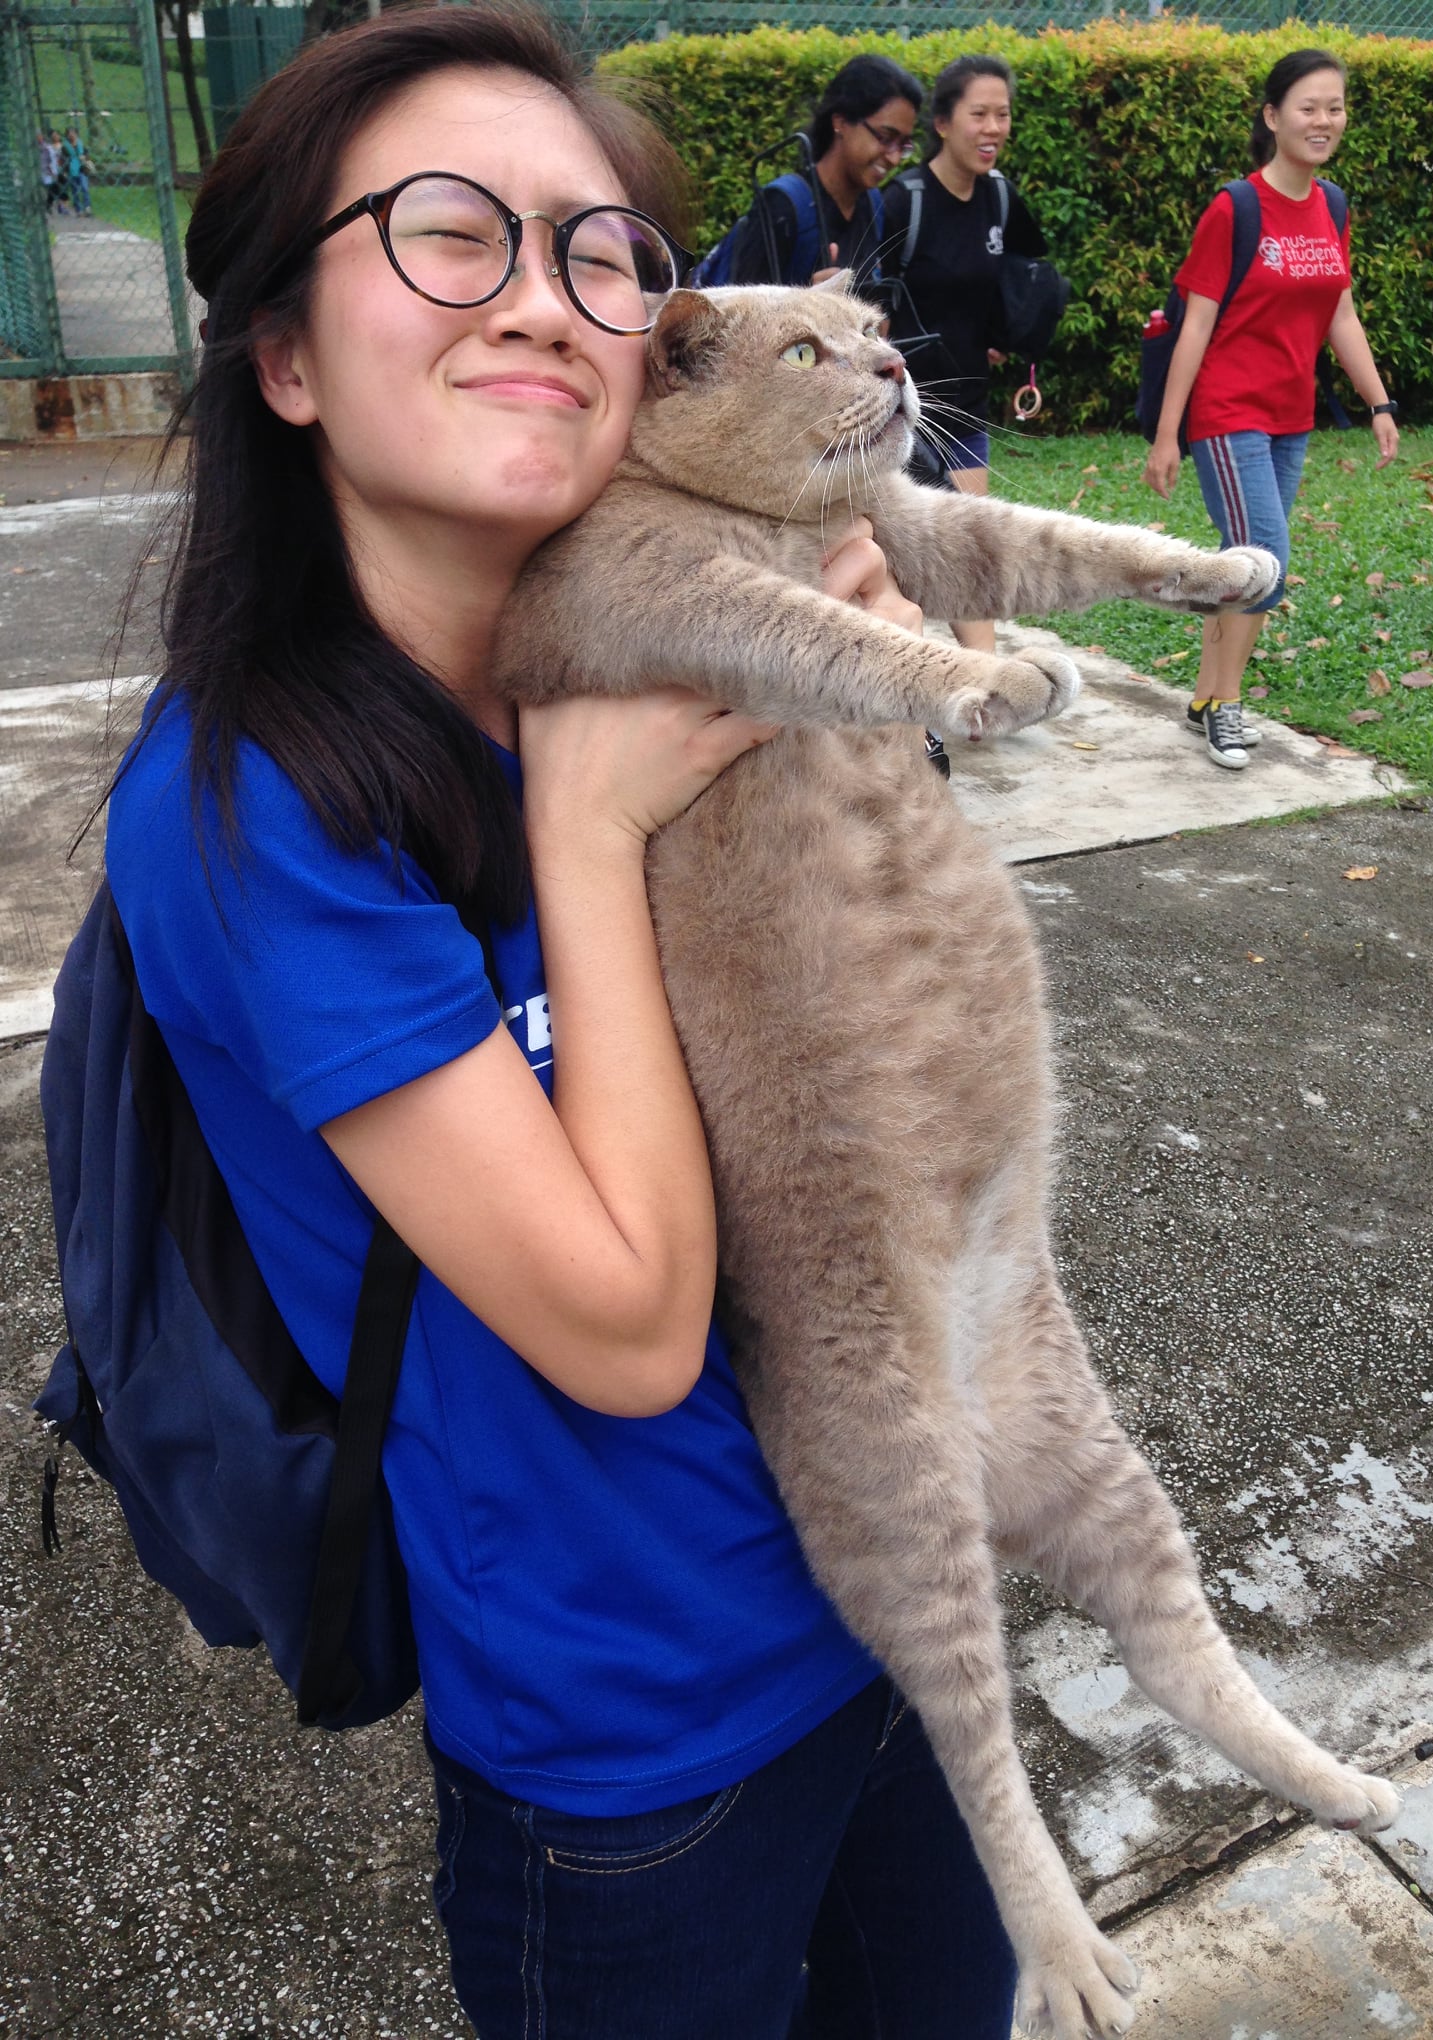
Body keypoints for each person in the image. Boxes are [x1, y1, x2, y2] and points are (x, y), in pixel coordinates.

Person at [100, 5, 1015, 2035]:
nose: (543, 302)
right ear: (280, 359)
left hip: (897, 1609)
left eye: (601, 255)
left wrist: (866, 717)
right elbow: (623, 1329)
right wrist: (587, 840)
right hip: (637, 1750)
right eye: (452, 235)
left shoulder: (685, 647)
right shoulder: (256, 811)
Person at [1143, 49, 1399, 769]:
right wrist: (1169, 436)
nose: (1324, 120)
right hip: (1226, 412)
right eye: (1309, 107)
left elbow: (1340, 312)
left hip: (1291, 415)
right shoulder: (1236, 208)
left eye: (1335, 107)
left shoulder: (1333, 205)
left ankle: (1203, 698)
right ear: (1273, 116)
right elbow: (1195, 326)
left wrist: (1379, 402)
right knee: (1267, 563)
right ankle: (1227, 705)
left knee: (1241, 560)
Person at [880, 55, 1047, 655]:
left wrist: (1013, 330)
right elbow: (865, 301)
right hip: (897, 415)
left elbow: (1027, 272)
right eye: (979, 113)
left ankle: (982, 678)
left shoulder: (999, 198)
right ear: (944, 123)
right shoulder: (903, 203)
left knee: (967, 554)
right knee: (910, 557)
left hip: (967, 405)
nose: (994, 128)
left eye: (1003, 115)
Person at [728, 53, 922, 287]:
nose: (895, 157)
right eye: (884, 137)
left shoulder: (872, 205)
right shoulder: (783, 207)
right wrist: (808, 300)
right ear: (840, 122)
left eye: (904, 145)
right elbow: (734, 312)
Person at [62, 124, 92, 215]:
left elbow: (87, 156)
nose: (71, 135)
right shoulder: (65, 147)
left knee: (85, 188)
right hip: (71, 170)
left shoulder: (81, 144)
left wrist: (84, 158)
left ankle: (87, 207)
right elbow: (63, 160)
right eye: (69, 134)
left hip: (82, 169)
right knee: (75, 190)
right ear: (67, 135)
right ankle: (78, 209)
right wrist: (65, 171)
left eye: (73, 133)